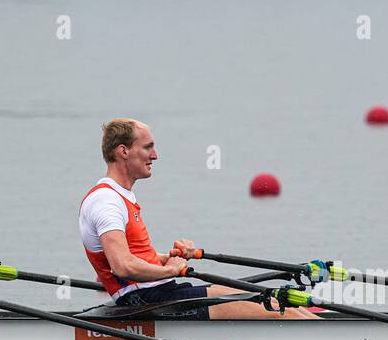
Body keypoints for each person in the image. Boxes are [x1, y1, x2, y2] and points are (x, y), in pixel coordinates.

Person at [79, 119, 315, 319]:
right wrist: (170, 271)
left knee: (281, 303)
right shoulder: (106, 202)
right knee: (276, 308)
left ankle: (334, 337)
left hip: (161, 293)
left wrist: (169, 258)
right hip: (146, 302)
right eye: (147, 147)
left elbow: (134, 257)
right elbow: (122, 266)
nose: (155, 155)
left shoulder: (120, 196)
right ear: (123, 151)